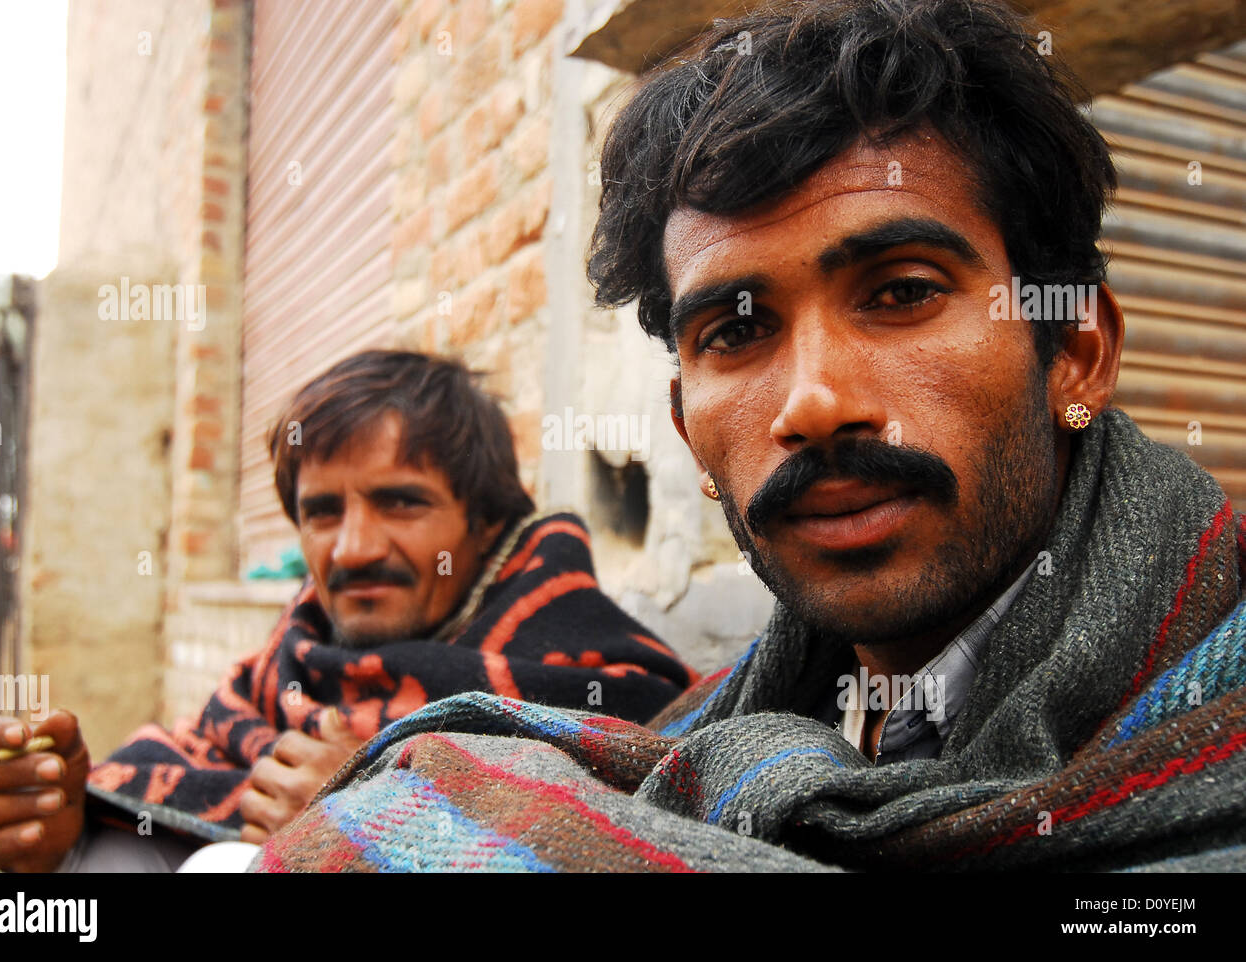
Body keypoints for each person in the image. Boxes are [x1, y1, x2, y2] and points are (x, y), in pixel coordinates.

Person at [253, 0, 1246, 872]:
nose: (812, 404)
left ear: (1074, 350)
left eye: (901, 293)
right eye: (735, 328)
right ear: (685, 429)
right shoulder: (713, 725)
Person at [0, 350, 695, 871]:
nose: (354, 548)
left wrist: (373, 817)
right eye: (323, 511)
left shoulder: (599, 679)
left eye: (402, 502)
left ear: (485, 521)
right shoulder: (287, 662)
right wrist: (55, 834)